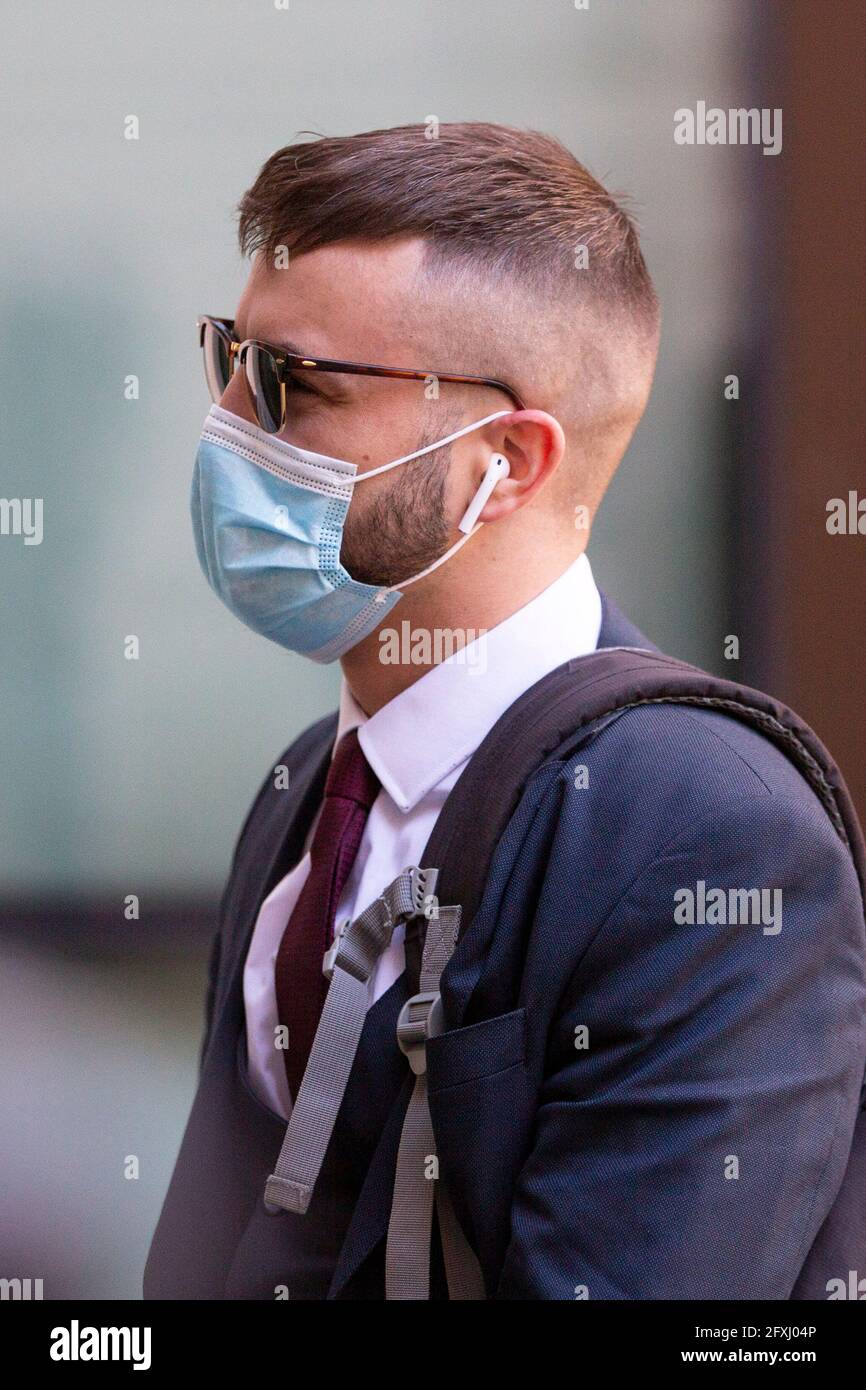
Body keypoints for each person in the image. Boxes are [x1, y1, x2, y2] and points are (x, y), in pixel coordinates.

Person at [144, 122, 866, 1300]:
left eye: (296, 383)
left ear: (509, 463)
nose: (229, 420)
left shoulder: (708, 829)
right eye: (229, 355)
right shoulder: (309, 787)